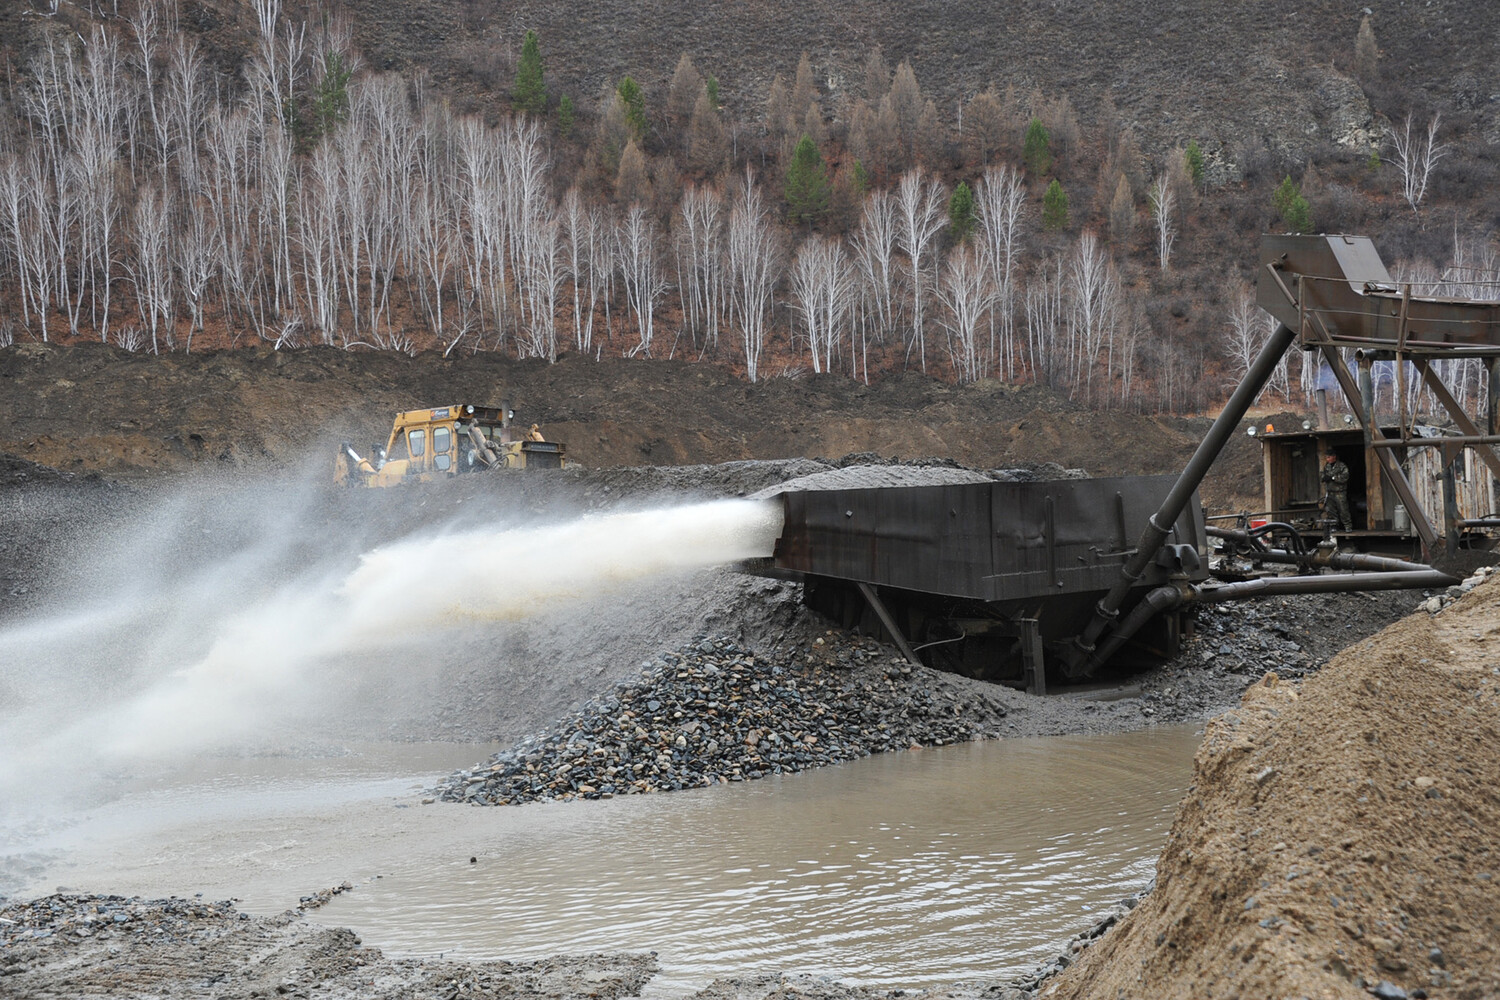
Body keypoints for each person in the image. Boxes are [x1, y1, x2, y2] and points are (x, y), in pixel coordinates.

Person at [1321, 452, 1353, 531]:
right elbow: (1323, 475)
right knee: (1331, 510)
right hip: (1330, 492)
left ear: (1334, 457)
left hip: (1340, 492)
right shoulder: (1327, 466)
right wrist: (1324, 478)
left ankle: (1347, 526)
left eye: (1329, 457)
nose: (1327, 459)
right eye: (1326, 457)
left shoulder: (1342, 466)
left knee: (1343, 509)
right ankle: (1334, 525)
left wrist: (1333, 478)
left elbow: (1345, 477)